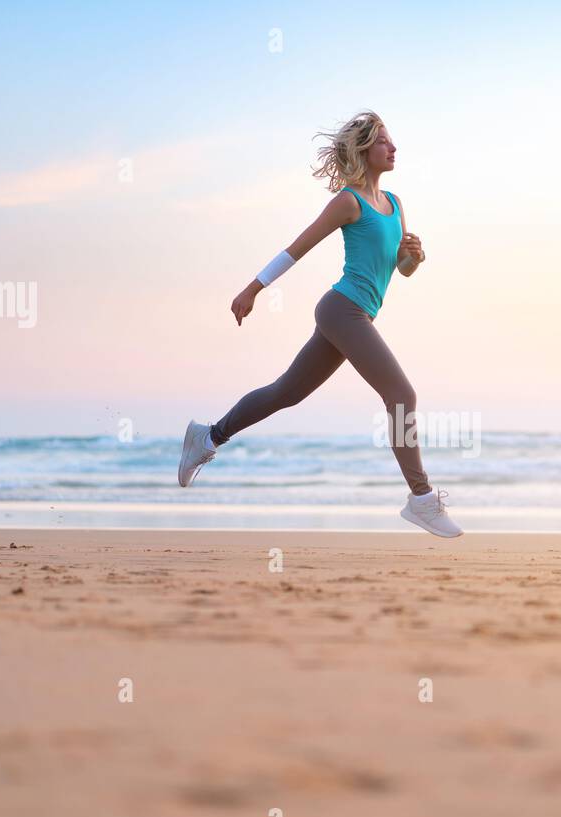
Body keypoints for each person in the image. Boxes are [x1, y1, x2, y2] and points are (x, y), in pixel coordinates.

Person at [177, 112, 461, 537]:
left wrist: (415, 257)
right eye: (384, 142)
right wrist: (253, 289)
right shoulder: (349, 202)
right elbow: (296, 249)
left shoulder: (395, 204)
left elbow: (399, 269)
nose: (393, 148)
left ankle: (209, 437)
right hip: (341, 310)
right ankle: (421, 498)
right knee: (401, 394)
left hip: (357, 313)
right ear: (364, 150)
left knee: (285, 393)